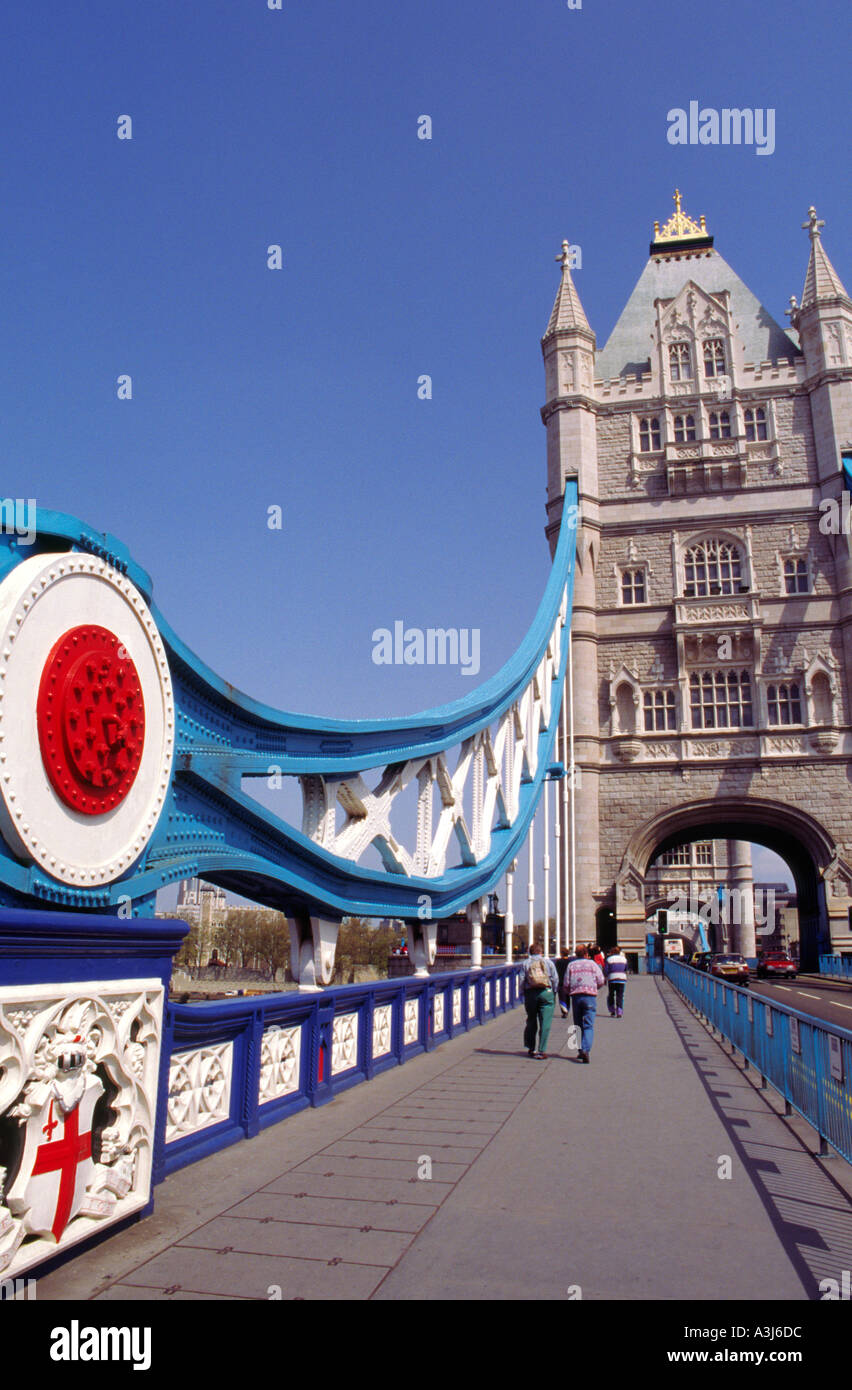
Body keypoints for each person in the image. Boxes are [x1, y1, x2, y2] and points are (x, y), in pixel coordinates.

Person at [565, 944, 605, 1063]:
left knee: (577, 1025)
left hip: (576, 996)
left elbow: (566, 983)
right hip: (590, 996)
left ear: (576, 954)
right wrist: (595, 988)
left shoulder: (571, 965)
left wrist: (569, 991)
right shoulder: (592, 964)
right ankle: (585, 1050)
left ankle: (580, 1050)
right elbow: (601, 980)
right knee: (588, 1025)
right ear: (586, 954)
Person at [519, 942, 559, 1058]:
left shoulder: (526, 963)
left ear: (530, 952)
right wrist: (553, 991)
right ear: (541, 952)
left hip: (531, 993)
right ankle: (542, 1050)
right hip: (546, 992)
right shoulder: (548, 962)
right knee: (545, 1022)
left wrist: (523, 992)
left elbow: (521, 980)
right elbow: (555, 979)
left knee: (531, 1020)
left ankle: (531, 1048)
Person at [605, 945, 629, 1017]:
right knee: (620, 995)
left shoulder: (609, 959)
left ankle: (612, 1010)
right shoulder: (624, 959)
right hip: (621, 979)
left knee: (611, 994)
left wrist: (605, 977)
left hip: (612, 979)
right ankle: (619, 1011)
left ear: (612, 952)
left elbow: (606, 970)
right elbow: (626, 969)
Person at [555, 946, 574, 1018]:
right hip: (569, 982)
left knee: (562, 997)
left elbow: (556, 972)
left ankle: (564, 1011)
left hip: (561, 981)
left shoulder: (558, 962)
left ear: (561, 953)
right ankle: (567, 1009)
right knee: (567, 997)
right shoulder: (570, 962)